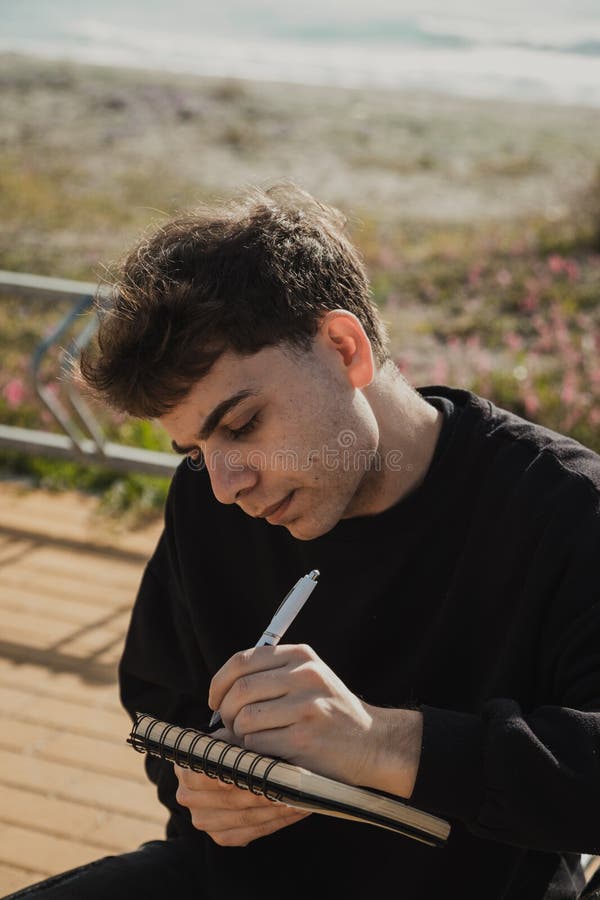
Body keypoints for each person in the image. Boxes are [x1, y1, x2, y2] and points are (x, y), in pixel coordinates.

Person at [6, 183, 600, 900]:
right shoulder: (209, 495)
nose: (225, 484)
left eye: (242, 423)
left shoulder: (565, 509)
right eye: (192, 450)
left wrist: (381, 744)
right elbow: (161, 695)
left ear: (344, 349)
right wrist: (201, 783)